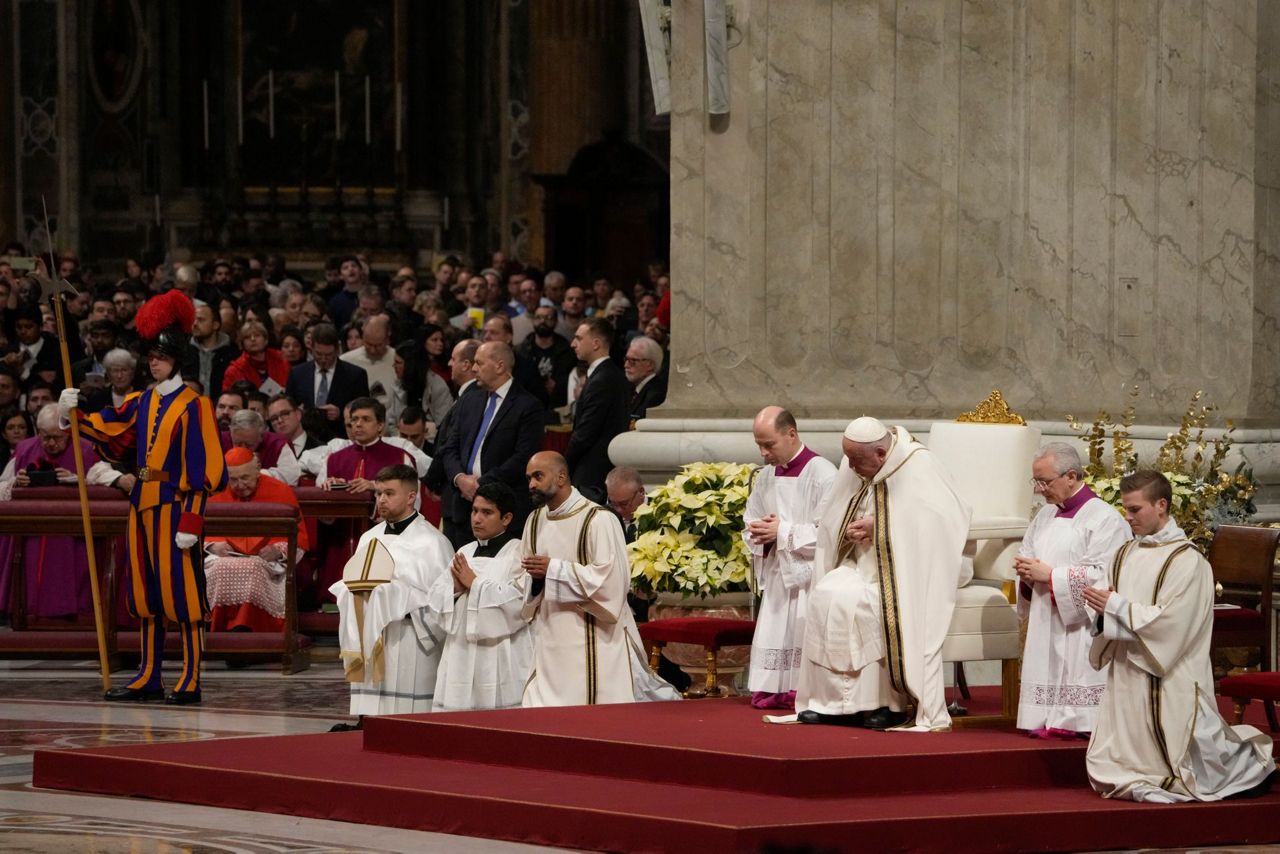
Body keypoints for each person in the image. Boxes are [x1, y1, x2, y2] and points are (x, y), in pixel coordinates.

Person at [58, 289, 226, 705]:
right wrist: (72, 412)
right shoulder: (143, 399)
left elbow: (205, 471)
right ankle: (148, 674)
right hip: (141, 505)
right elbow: (113, 432)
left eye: (160, 356)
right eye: (149, 356)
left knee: (183, 594)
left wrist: (192, 521)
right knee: (146, 594)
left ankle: (189, 677)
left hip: (175, 507)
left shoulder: (194, 405)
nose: (152, 362)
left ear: (177, 359)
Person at [1084, 471, 1277, 802]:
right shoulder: (1122, 554)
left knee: (1193, 754)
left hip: (1169, 672)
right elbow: (1107, 602)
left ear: (1161, 505)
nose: (1127, 518)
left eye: (1135, 510)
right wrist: (1103, 612)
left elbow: (1173, 624)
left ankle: (1248, 766)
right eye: (1125, 509)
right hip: (1129, 668)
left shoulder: (1188, 562)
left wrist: (1115, 606)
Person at [793, 417, 970, 731]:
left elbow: (944, 524)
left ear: (879, 454)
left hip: (910, 571)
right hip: (863, 563)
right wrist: (848, 531)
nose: (852, 468)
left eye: (858, 461)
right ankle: (834, 704)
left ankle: (887, 704)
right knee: (826, 593)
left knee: (865, 604)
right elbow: (837, 511)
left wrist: (881, 527)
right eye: (848, 459)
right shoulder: (860, 464)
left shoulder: (920, 465)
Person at [519, 451, 680, 707]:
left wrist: (554, 569)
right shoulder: (534, 520)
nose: (531, 484)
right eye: (529, 478)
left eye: (538, 476)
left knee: (590, 713)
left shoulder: (598, 519)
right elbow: (523, 578)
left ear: (561, 477)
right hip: (550, 636)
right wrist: (537, 580)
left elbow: (613, 582)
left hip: (595, 637)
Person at [1014, 442, 1132, 738]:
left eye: (1045, 481)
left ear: (1070, 476)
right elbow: (1028, 552)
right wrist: (1026, 575)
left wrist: (1051, 576)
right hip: (1045, 612)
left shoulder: (1104, 519)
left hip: (1080, 625)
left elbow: (1104, 577)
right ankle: (1045, 714)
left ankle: (1080, 719)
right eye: (1036, 481)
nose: (1040, 489)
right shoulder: (1045, 516)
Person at [330, 464, 454, 725]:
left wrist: (398, 598)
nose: (381, 500)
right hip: (371, 638)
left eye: (389, 493)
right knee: (373, 718)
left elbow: (443, 601)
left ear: (411, 497)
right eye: (378, 494)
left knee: (408, 720)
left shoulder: (433, 543)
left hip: (409, 638)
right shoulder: (369, 538)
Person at [742, 407, 837, 711]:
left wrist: (781, 531)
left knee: (802, 630)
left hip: (809, 577)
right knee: (775, 629)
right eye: (759, 444)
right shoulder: (766, 476)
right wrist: (758, 533)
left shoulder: (823, 473)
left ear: (791, 434)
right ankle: (773, 689)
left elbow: (831, 532)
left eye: (769, 444)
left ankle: (803, 689)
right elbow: (751, 518)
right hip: (778, 574)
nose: (763, 452)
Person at [0, 404, 132, 620]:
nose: (51, 443)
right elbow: (2, 487)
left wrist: (76, 478)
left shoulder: (86, 449)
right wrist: (17, 482)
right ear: (38, 432)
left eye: (57, 437)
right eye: (45, 437)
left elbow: (105, 477)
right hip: (31, 530)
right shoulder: (24, 449)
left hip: (71, 534)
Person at [423, 482, 532, 711]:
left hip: (501, 651)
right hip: (460, 650)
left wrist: (475, 584)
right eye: (474, 511)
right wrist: (454, 591)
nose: (477, 519)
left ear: (507, 518)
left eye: (487, 512)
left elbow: (521, 603)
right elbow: (434, 598)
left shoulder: (519, 553)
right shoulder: (464, 552)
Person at [438, 341, 544, 548]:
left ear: (500, 366)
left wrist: (480, 484)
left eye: (479, 363)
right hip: (463, 506)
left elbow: (524, 456)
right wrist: (460, 479)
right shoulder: (468, 401)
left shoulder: (529, 406)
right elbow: (449, 447)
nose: (474, 369)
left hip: (505, 509)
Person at [203, 447, 308, 632]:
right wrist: (212, 546)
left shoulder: (280, 492)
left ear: (257, 470)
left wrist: (277, 550)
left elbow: (298, 536)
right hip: (222, 558)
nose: (240, 485)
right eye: (233, 480)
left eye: (245, 478)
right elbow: (199, 534)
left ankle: (247, 629)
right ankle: (216, 630)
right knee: (219, 567)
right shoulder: (216, 492)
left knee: (253, 567)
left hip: (266, 561)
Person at [565, 317, 629, 503]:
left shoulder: (602, 379)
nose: (572, 344)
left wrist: (564, 465)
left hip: (592, 474)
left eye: (578, 338)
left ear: (596, 343)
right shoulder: (610, 374)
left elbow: (586, 432)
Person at [285, 322, 369, 441]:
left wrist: (341, 413)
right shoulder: (297, 373)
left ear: (337, 349)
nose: (323, 359)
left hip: (341, 438)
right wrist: (298, 412)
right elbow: (288, 405)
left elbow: (365, 411)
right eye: (318, 354)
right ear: (311, 348)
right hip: (305, 439)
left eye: (329, 354)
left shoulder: (355, 375)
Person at [340, 314, 399, 432]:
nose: (373, 349)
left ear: (388, 338)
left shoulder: (398, 360)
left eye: (378, 345)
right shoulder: (345, 361)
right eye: (368, 344)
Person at [221, 408, 301, 486]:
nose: (243, 449)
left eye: (249, 445)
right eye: (237, 444)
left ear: (261, 436)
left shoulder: (277, 444)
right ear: (231, 434)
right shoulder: (220, 440)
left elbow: (291, 477)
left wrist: (255, 474)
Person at [624, 336, 667, 419]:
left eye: (633, 361)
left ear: (650, 365)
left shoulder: (656, 395)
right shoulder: (632, 390)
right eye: (626, 359)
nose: (626, 365)